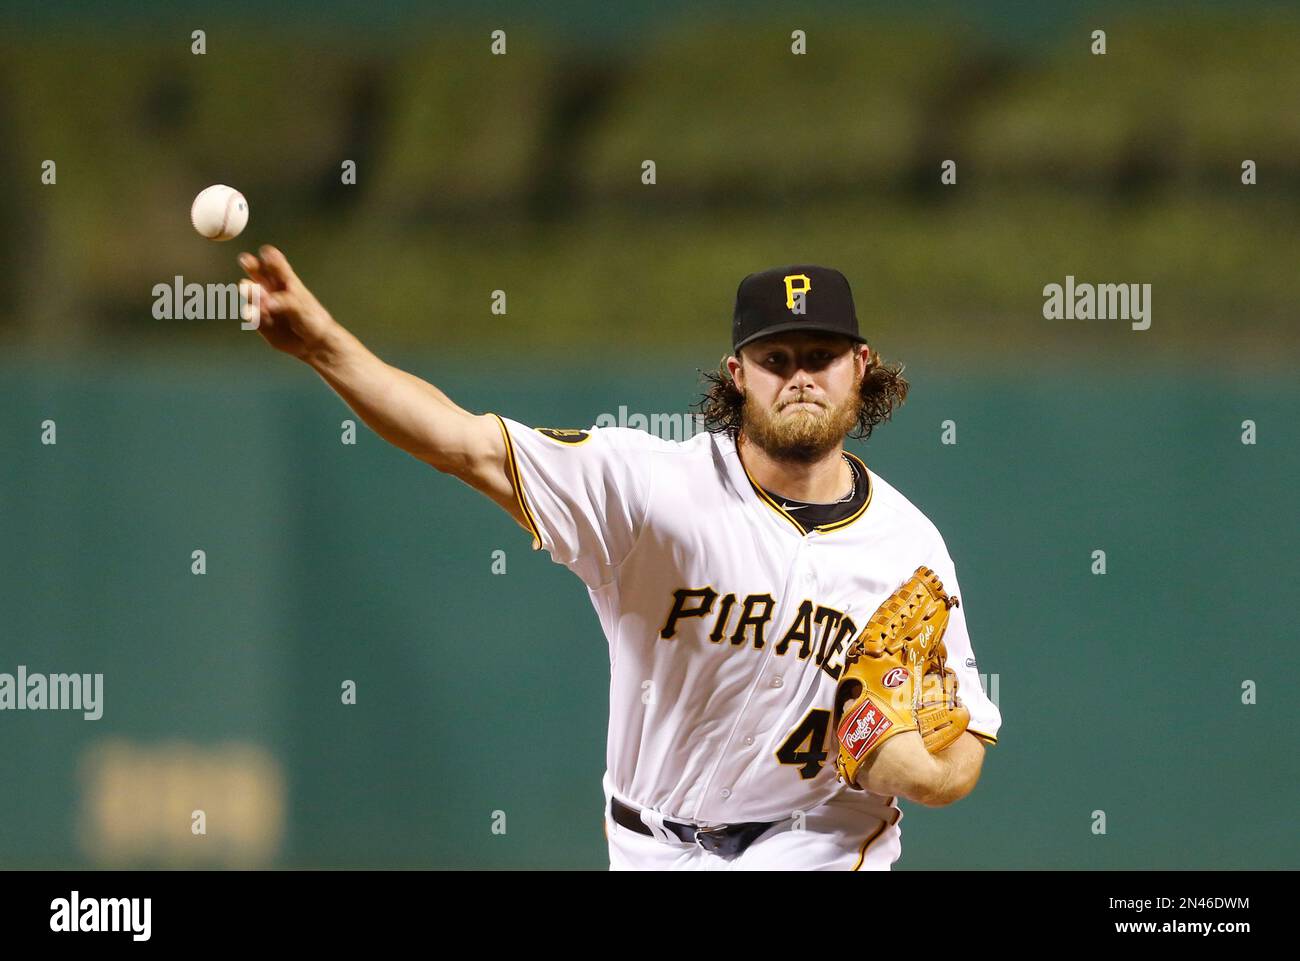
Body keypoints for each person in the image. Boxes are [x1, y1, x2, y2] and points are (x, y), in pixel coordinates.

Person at [239, 249, 1002, 870]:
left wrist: (927, 774)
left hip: (819, 842)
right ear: (738, 375)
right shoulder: (648, 489)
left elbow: (967, 733)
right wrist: (322, 345)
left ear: (860, 366)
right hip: (647, 842)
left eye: (822, 354)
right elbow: (461, 444)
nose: (800, 374)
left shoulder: (909, 547)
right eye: (776, 356)